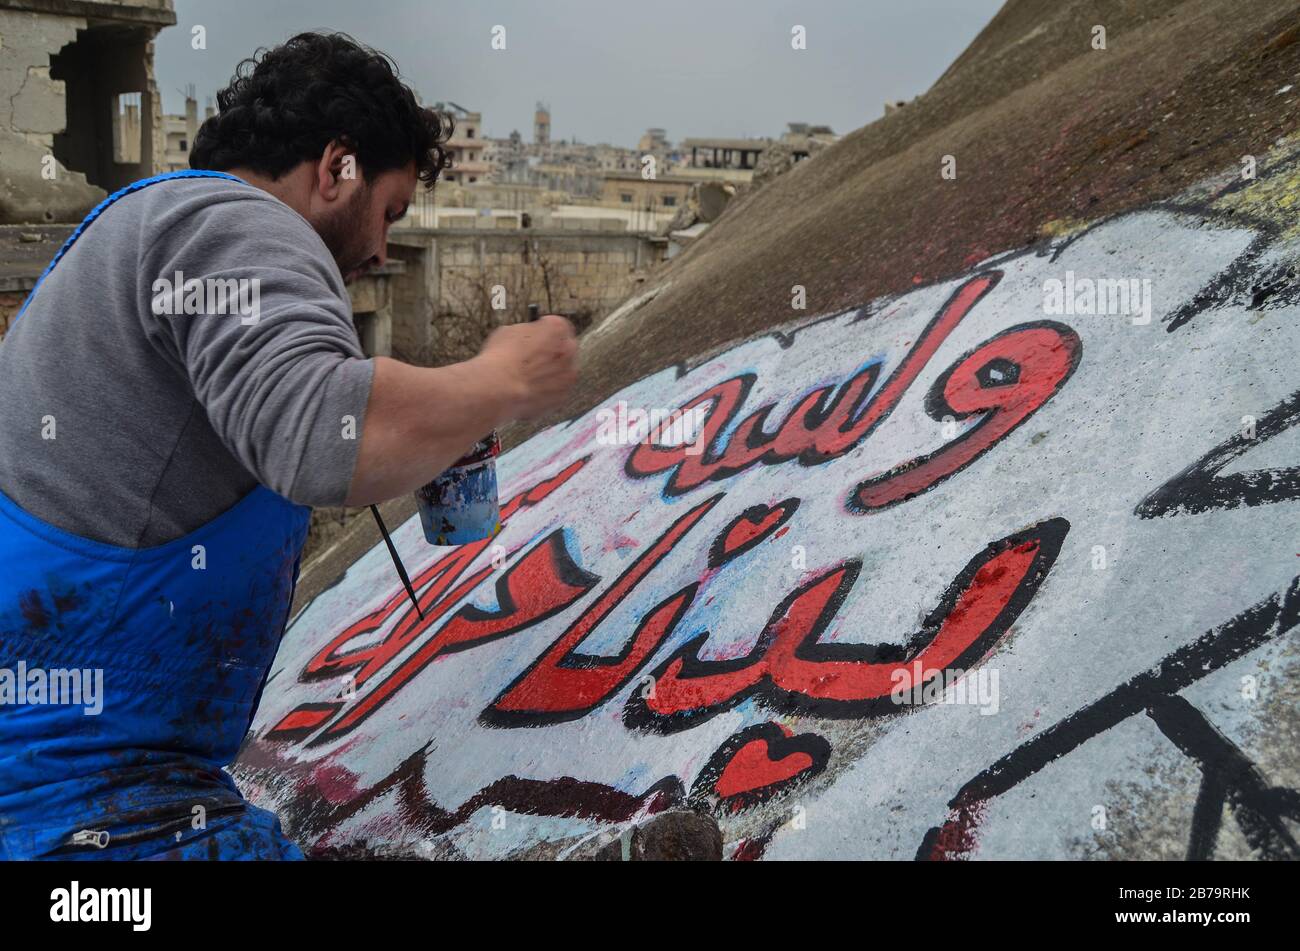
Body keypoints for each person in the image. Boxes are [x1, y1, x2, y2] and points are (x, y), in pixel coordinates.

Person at [0, 32, 577, 860]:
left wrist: (425, 416)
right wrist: (501, 377)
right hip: (74, 804)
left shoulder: (150, 221)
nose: (380, 250)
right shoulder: (234, 225)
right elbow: (320, 433)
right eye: (389, 212)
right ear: (336, 168)